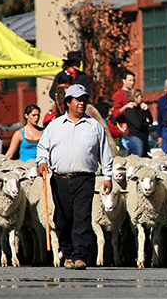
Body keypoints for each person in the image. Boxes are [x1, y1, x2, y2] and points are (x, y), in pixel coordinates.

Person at [36, 84, 113, 270]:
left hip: (84, 178)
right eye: (77, 100)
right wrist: (42, 163)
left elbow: (105, 152)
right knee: (62, 218)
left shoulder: (94, 126)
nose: (81, 103)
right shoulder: (54, 126)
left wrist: (108, 175)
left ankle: (80, 256)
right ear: (68, 102)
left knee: (82, 216)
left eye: (84, 100)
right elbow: (42, 148)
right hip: (60, 179)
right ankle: (67, 253)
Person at [111, 70, 137, 147]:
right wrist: (126, 106)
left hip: (135, 129)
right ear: (124, 81)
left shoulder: (135, 94)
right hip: (124, 131)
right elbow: (115, 114)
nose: (132, 83)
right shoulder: (118, 95)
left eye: (133, 80)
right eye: (130, 80)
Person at [125, 89, 153, 157]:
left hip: (144, 137)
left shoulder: (141, 108)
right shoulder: (130, 110)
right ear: (135, 98)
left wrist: (146, 110)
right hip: (136, 138)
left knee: (146, 158)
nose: (142, 99)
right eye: (141, 97)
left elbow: (151, 121)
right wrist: (146, 124)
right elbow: (138, 125)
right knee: (138, 157)